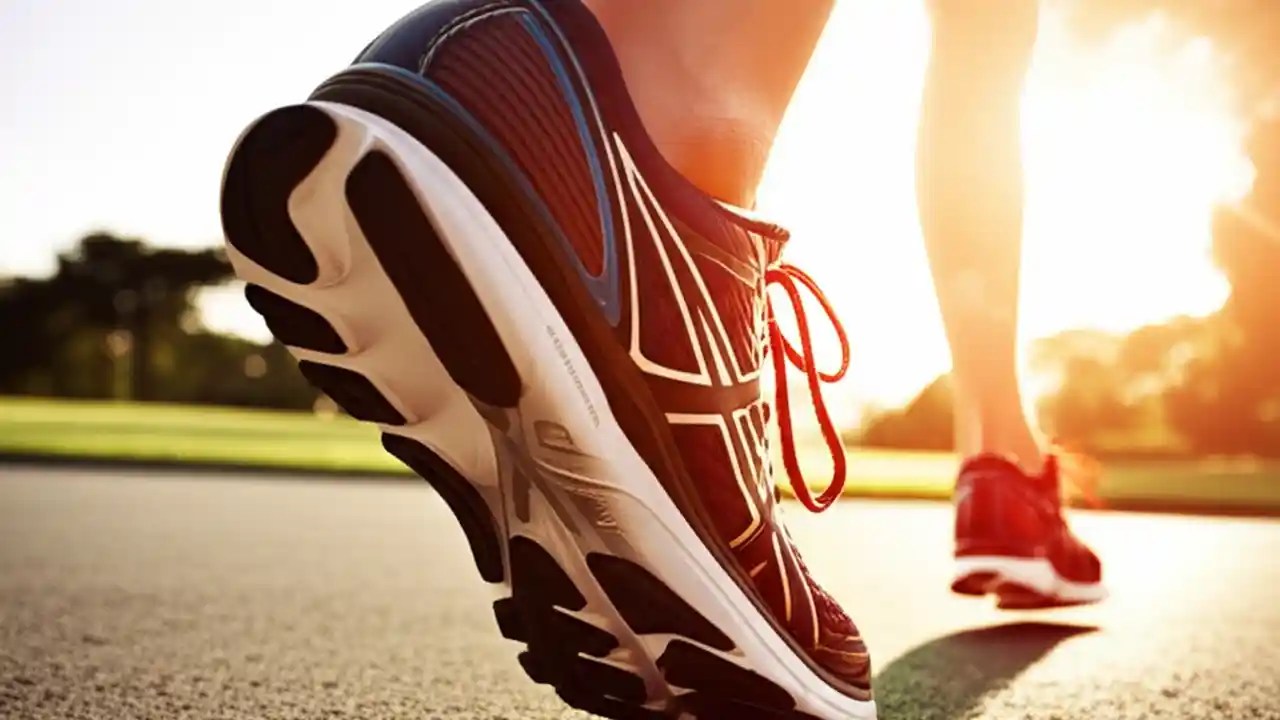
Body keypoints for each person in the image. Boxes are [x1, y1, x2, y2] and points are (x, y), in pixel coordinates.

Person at [220, 0, 1103, 716]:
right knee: (988, 42)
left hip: (501, 71)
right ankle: (676, 140)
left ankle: (1005, 466)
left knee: (990, 24)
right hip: (614, 138)